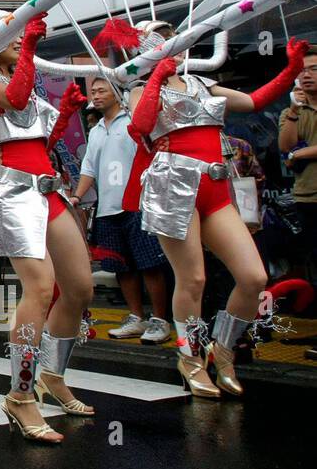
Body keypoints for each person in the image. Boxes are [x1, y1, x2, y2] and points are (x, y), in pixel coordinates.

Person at [128, 26, 308, 397]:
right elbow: (141, 126)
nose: (173, 47)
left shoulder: (201, 84)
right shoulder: (137, 89)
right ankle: (190, 356)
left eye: (175, 39)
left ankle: (222, 350)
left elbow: (254, 101)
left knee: (254, 276)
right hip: (172, 186)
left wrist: (290, 70)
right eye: (162, 42)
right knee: (192, 280)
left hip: (216, 184)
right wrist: (157, 77)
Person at [0, 12, 94, 444]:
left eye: (23, 35)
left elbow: (38, 141)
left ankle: (51, 375)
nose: (19, 40)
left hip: (47, 189)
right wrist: (32, 48)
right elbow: (15, 103)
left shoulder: (21, 77)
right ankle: (20, 394)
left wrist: (68, 111)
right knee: (38, 287)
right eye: (12, 35)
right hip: (11, 191)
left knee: (79, 287)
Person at [70, 76, 170, 344]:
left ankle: (160, 320)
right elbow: (89, 167)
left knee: (150, 263)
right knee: (121, 266)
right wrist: (77, 197)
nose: (96, 95)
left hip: (139, 203)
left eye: (102, 90)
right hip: (108, 208)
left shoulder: (134, 122)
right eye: (93, 91)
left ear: (118, 93)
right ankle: (136, 317)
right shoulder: (96, 131)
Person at [279, 49, 317, 268]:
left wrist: (298, 154)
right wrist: (294, 108)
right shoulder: (290, 112)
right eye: (302, 71)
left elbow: (291, 153)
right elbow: (285, 147)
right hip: (307, 198)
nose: (307, 75)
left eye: (313, 69)